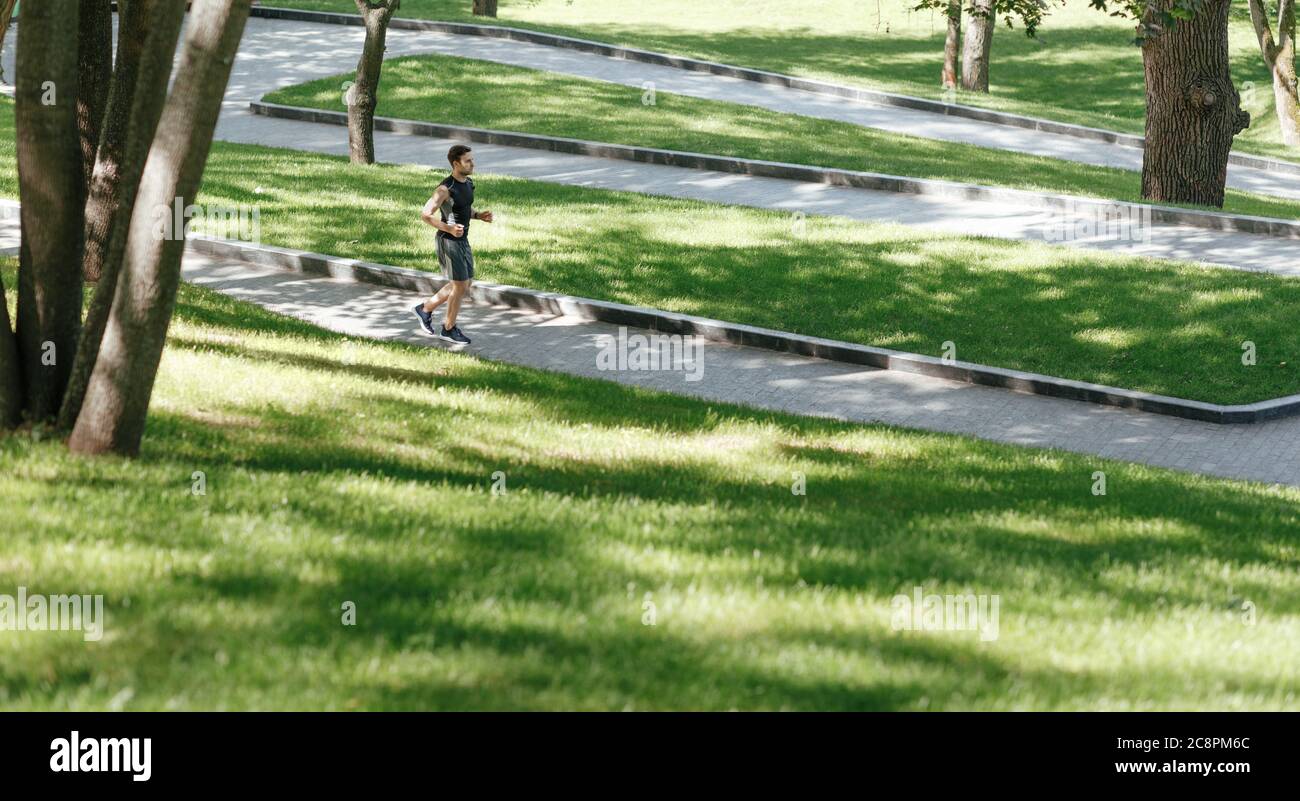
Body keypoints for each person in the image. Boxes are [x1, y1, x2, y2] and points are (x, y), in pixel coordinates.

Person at [412, 144, 492, 344]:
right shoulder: (444, 189)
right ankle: (448, 328)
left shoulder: (468, 183)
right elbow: (425, 214)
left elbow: (464, 208)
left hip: (462, 240)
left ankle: (425, 309)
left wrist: (478, 215)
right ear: (456, 164)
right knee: (460, 285)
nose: (472, 164)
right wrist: (448, 228)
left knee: (465, 283)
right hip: (448, 241)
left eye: (472, 160)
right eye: (468, 161)